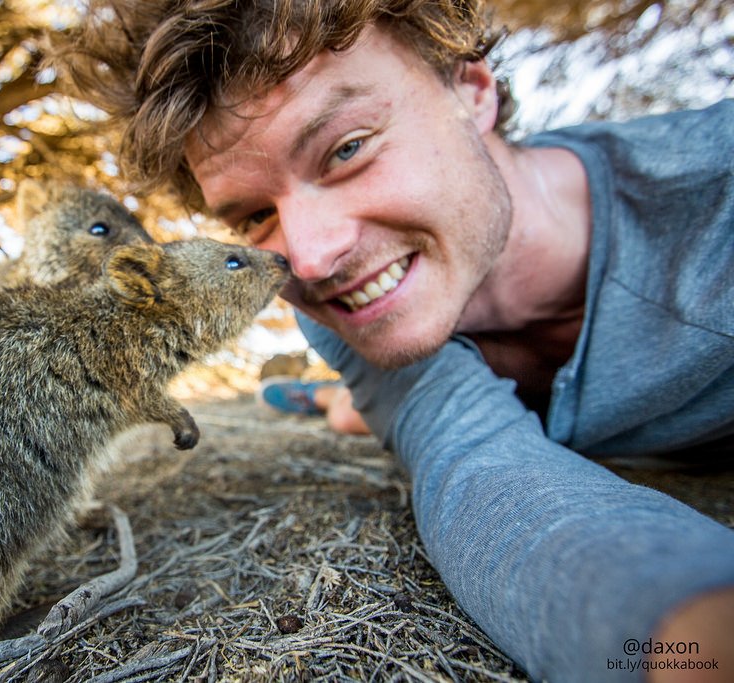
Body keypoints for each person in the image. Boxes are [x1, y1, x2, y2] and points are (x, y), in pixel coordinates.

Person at [57, 2, 734, 681]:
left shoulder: (713, 190)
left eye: (347, 148)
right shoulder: (340, 312)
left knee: (367, 410)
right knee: (383, 410)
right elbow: (475, 462)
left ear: (472, 90)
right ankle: (337, 400)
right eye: (258, 215)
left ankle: (344, 402)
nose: (313, 260)